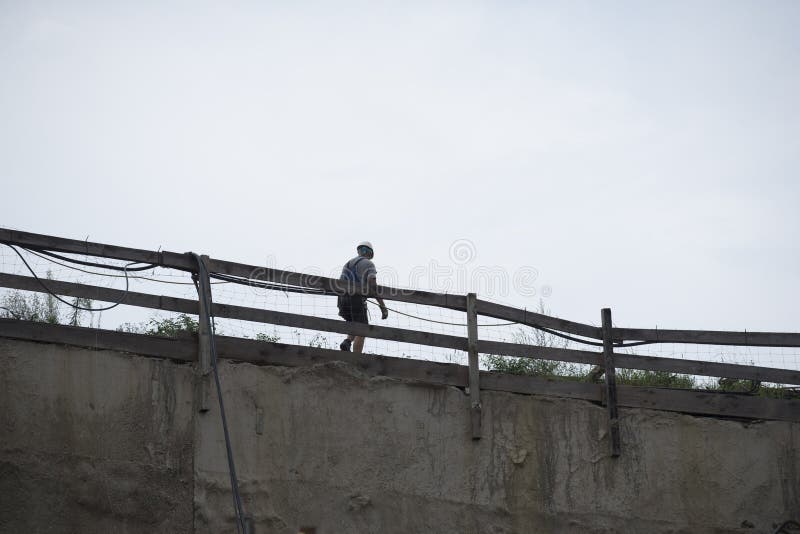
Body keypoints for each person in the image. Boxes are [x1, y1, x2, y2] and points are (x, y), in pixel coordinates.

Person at [338, 241, 388, 353]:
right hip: (355, 299)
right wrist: (382, 306)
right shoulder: (368, 264)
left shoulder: (348, 263)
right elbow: (373, 286)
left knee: (355, 323)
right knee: (363, 329)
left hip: (342, 300)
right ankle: (356, 358)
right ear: (369, 252)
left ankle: (347, 341)